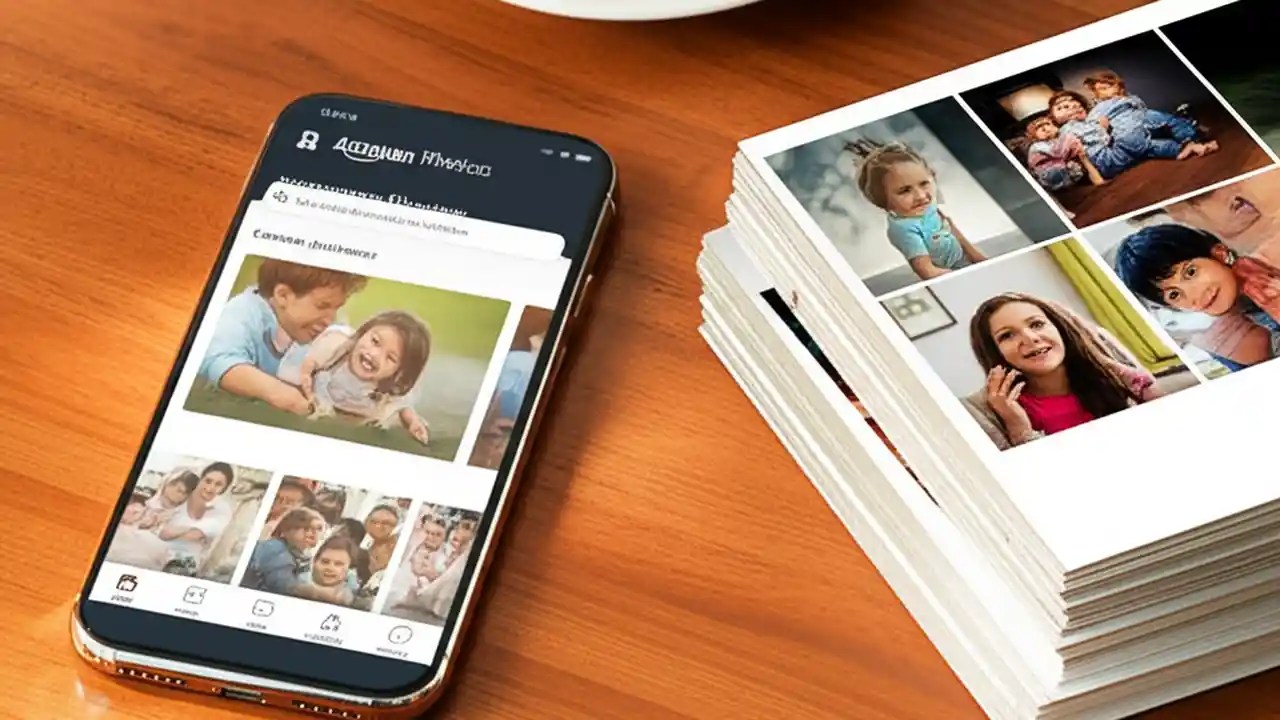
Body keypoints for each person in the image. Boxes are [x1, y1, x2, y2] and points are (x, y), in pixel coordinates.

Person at [960, 293, 1161, 449]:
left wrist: (1137, 384)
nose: (1030, 338)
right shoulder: (985, 412)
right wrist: (1020, 431)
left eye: (1037, 324)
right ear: (995, 352)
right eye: (1007, 336)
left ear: (1059, 327)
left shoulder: (1113, 366)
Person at [197, 259, 367, 414]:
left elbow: (341, 335)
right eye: (322, 306)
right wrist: (282, 395)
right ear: (283, 296)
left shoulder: (309, 326)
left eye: (336, 308)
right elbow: (218, 360)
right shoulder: (242, 312)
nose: (329, 320)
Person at [1113, 223, 1280, 371]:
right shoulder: (1221, 342)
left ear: (1219, 254)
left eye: (1190, 272)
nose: (1195, 295)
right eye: (1174, 294)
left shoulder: (1270, 262)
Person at [284, 310, 432, 444]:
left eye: (390, 358)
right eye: (375, 341)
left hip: (351, 406)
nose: (374, 354)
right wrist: (306, 381)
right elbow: (309, 363)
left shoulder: (386, 386)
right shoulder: (338, 349)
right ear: (363, 333)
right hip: (328, 359)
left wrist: (413, 422)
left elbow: (401, 404)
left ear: (399, 373)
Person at [848, 140, 986, 280]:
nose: (921, 196)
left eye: (924, 183)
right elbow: (926, 270)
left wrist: (979, 259)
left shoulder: (928, 207)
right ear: (882, 200)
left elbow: (953, 231)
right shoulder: (904, 229)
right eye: (905, 191)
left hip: (967, 263)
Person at [1083, 70, 1215, 162]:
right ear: (1096, 94)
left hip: (1143, 120)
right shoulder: (1098, 109)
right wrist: (1103, 128)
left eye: (1108, 87)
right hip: (1126, 133)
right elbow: (1094, 127)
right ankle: (1183, 145)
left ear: (1119, 87)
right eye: (1101, 89)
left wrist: (1125, 99)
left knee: (1166, 121)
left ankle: (1192, 136)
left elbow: (1143, 109)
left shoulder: (1130, 98)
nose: (1106, 92)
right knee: (1147, 145)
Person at [156, 462, 237, 576]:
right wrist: (187, 529)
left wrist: (169, 531)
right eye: (208, 481)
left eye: (218, 484)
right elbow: (160, 530)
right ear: (201, 479)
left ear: (224, 488)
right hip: (156, 553)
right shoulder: (184, 494)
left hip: (185, 563)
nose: (210, 488)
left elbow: (193, 535)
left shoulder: (223, 509)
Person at [242, 506, 326, 595]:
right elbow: (283, 584)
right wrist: (321, 594)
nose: (313, 532)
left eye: (319, 529)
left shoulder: (304, 556)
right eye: (306, 527)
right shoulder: (275, 548)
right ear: (286, 529)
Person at [1023, 115, 1105, 191]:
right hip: (1051, 175)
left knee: (1083, 156)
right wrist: (1069, 141)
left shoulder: (1062, 138)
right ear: (1033, 135)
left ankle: (1099, 182)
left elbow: (1074, 149)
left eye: (1047, 124)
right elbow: (1058, 153)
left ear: (1054, 126)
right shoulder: (1036, 146)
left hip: (1072, 170)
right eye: (1038, 128)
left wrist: (1078, 150)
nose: (1044, 128)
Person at [292, 536, 358, 606]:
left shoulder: (350, 598)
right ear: (314, 562)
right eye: (325, 562)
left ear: (350, 570)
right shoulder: (294, 579)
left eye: (338, 564)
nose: (330, 568)